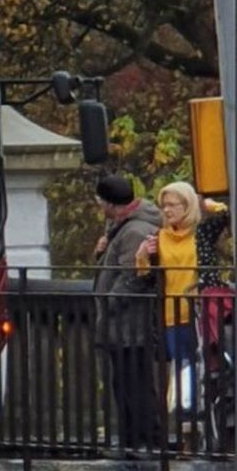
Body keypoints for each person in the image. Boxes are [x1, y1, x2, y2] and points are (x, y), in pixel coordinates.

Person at [136, 181, 230, 410]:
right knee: (182, 366)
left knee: (208, 364)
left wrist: (209, 205)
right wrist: (142, 258)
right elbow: (148, 281)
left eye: (172, 205)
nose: (166, 210)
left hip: (201, 312)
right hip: (172, 313)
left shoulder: (202, 233)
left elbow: (227, 214)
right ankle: (186, 416)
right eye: (164, 205)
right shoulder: (158, 237)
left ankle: (207, 415)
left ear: (187, 206)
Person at [91, 175, 163, 451]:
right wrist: (100, 253)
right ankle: (134, 439)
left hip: (130, 324)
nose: (99, 206)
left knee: (134, 384)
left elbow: (133, 275)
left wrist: (109, 301)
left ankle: (144, 441)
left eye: (100, 201)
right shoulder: (121, 227)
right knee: (125, 383)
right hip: (122, 323)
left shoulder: (134, 231)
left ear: (110, 204)